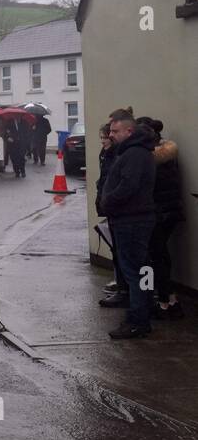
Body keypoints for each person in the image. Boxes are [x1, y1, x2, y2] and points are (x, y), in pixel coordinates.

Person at [99, 109, 157, 339]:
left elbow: (128, 187)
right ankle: (142, 314)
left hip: (132, 221)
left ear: (129, 131)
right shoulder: (134, 152)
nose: (111, 135)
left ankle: (138, 320)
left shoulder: (134, 154)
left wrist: (107, 201)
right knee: (142, 269)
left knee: (134, 271)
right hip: (134, 219)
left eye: (115, 131)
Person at [139, 117, 185, 320]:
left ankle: (164, 301)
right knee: (161, 256)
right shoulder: (166, 155)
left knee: (155, 257)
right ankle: (169, 299)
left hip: (158, 214)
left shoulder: (153, 159)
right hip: (168, 213)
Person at [96, 121, 130, 304]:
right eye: (102, 137)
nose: (104, 139)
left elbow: (119, 184)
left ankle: (126, 292)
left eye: (108, 135)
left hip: (120, 211)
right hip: (111, 208)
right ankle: (121, 286)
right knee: (117, 251)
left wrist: (108, 200)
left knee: (123, 253)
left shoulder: (118, 154)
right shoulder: (107, 154)